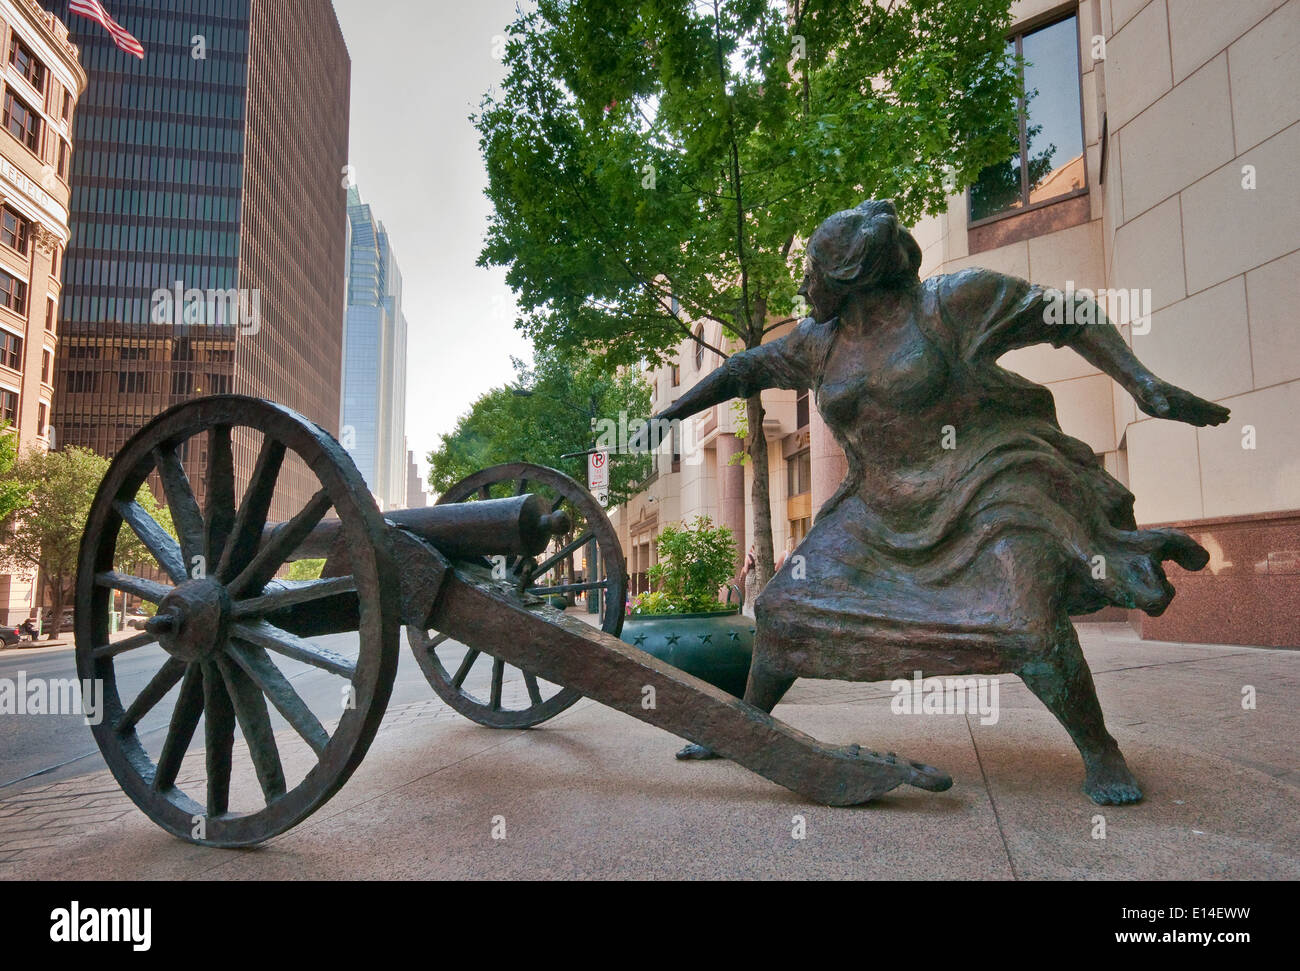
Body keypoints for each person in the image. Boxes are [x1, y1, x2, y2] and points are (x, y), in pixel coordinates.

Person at [650, 199, 1229, 805]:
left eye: (814, 271)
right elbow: (744, 368)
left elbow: (1068, 313)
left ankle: (1100, 749)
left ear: (853, 275)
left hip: (990, 484)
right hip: (877, 506)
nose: (805, 284)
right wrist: (672, 413)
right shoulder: (818, 342)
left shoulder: (952, 302)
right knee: (784, 607)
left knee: (1028, 628)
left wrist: (1143, 383)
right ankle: (745, 728)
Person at [739, 545, 758, 618]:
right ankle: (754, 612)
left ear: (752, 548)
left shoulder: (748, 557)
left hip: (750, 577)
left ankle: (747, 613)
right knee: (754, 595)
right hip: (756, 577)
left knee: (748, 596)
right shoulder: (758, 557)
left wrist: (743, 569)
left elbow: (746, 570)